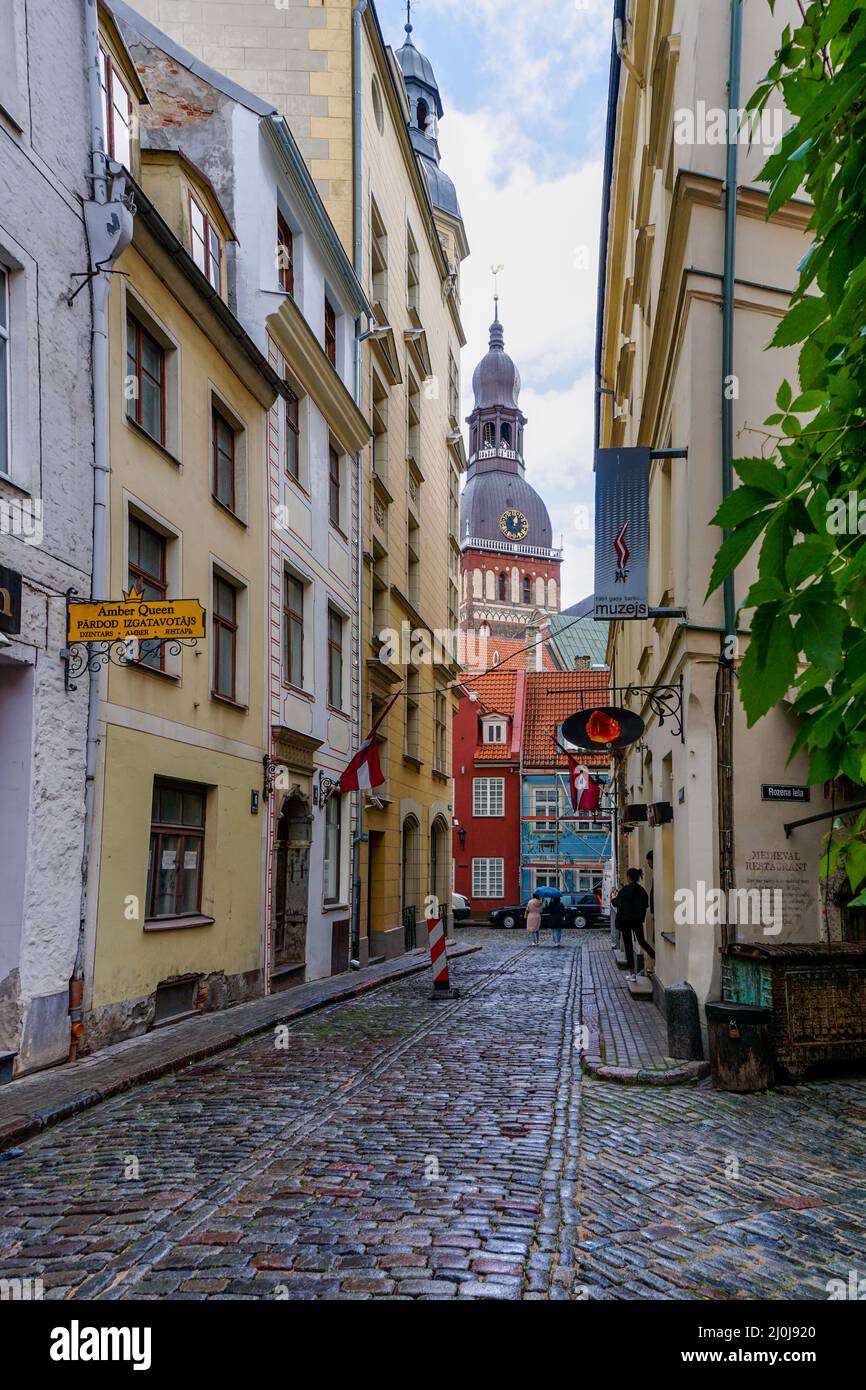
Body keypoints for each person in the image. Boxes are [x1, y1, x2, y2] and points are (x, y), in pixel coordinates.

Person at [611, 867, 655, 977]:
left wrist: (613, 898)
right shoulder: (642, 891)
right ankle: (656, 957)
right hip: (637, 920)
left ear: (629, 877)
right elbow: (645, 905)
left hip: (625, 921)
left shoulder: (624, 890)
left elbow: (616, 903)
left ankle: (632, 974)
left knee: (628, 945)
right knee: (642, 941)